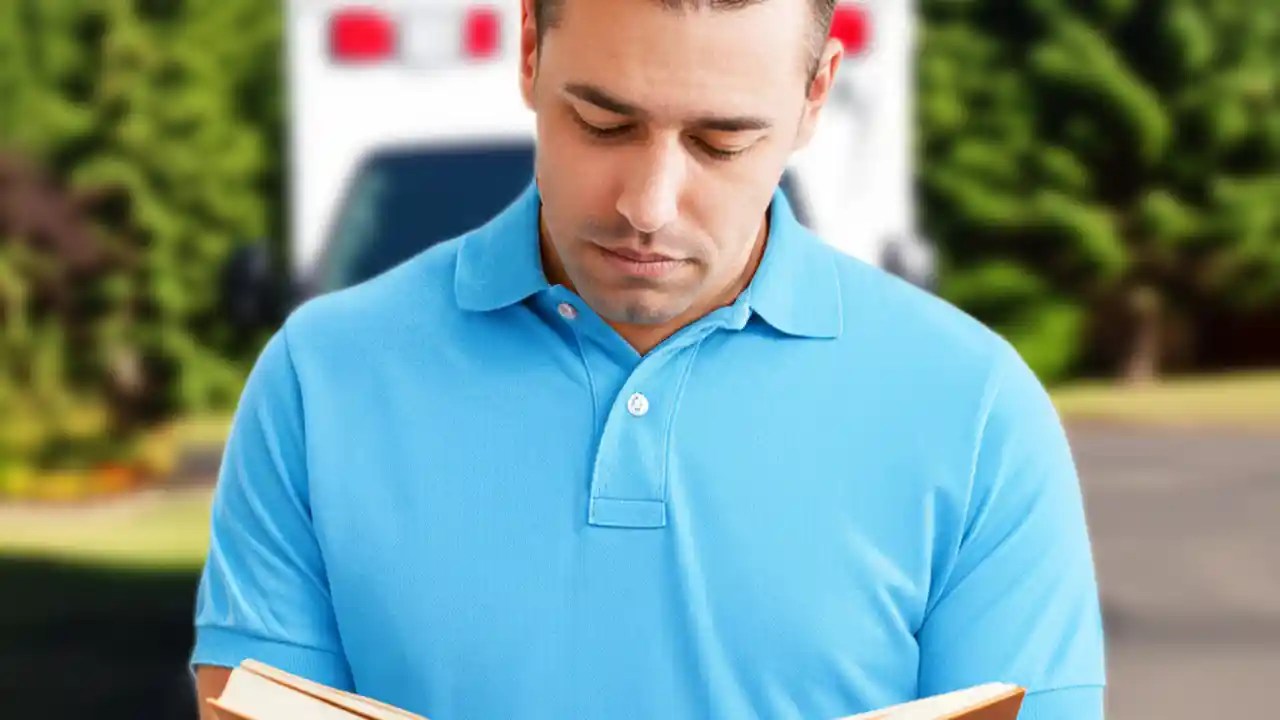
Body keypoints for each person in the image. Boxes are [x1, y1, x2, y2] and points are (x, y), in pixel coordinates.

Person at [190, 0, 1107, 717]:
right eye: (602, 123)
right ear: (528, 54)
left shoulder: (975, 409)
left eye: (722, 141)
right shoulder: (320, 381)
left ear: (815, 96)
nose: (649, 205)